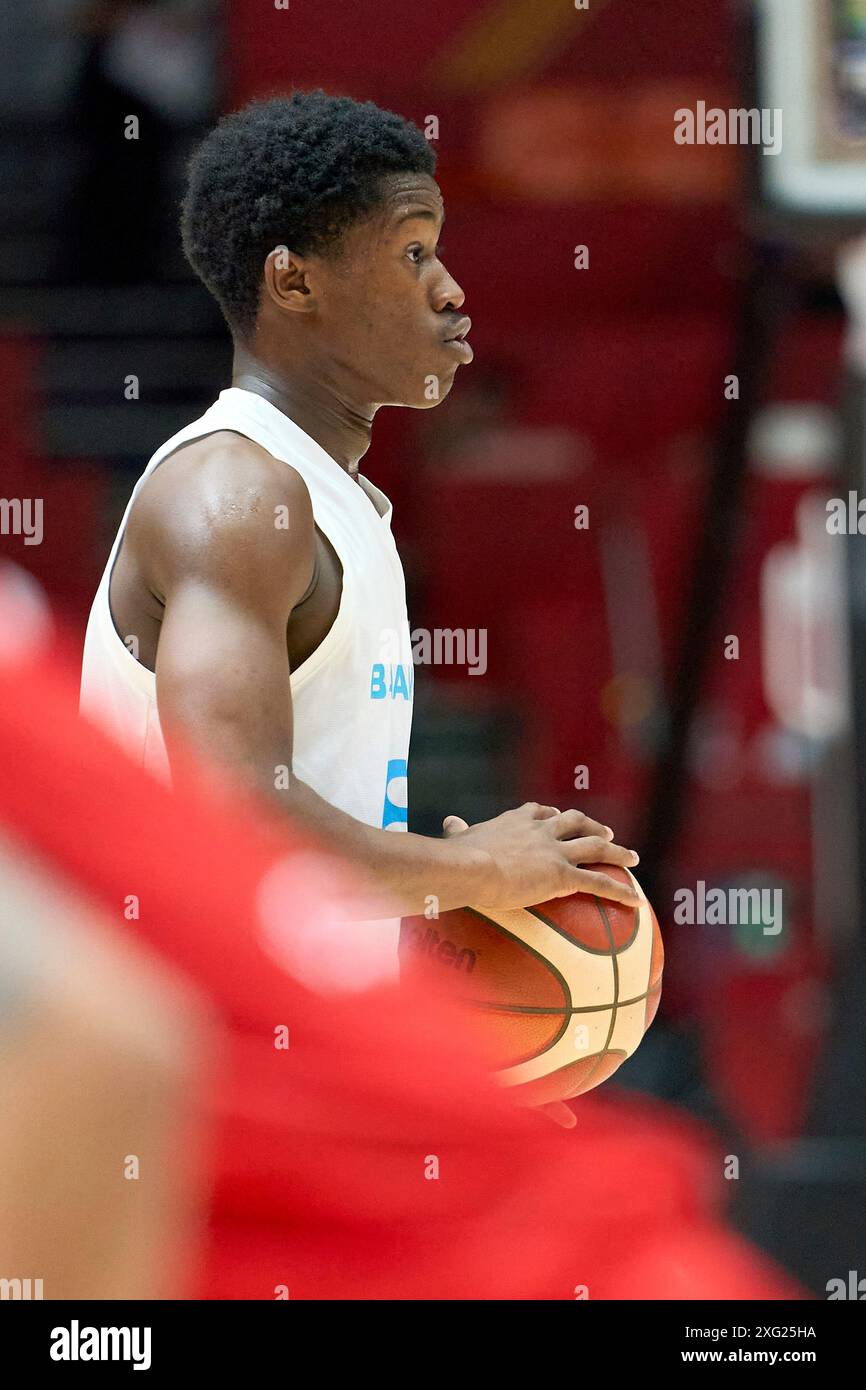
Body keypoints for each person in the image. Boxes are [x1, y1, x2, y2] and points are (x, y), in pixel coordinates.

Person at [79, 90, 640, 975]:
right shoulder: (235, 494)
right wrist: (478, 870)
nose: (450, 289)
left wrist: (437, 893)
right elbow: (229, 819)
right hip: (201, 1037)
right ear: (294, 281)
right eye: (412, 253)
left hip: (279, 1026)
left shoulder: (334, 500)